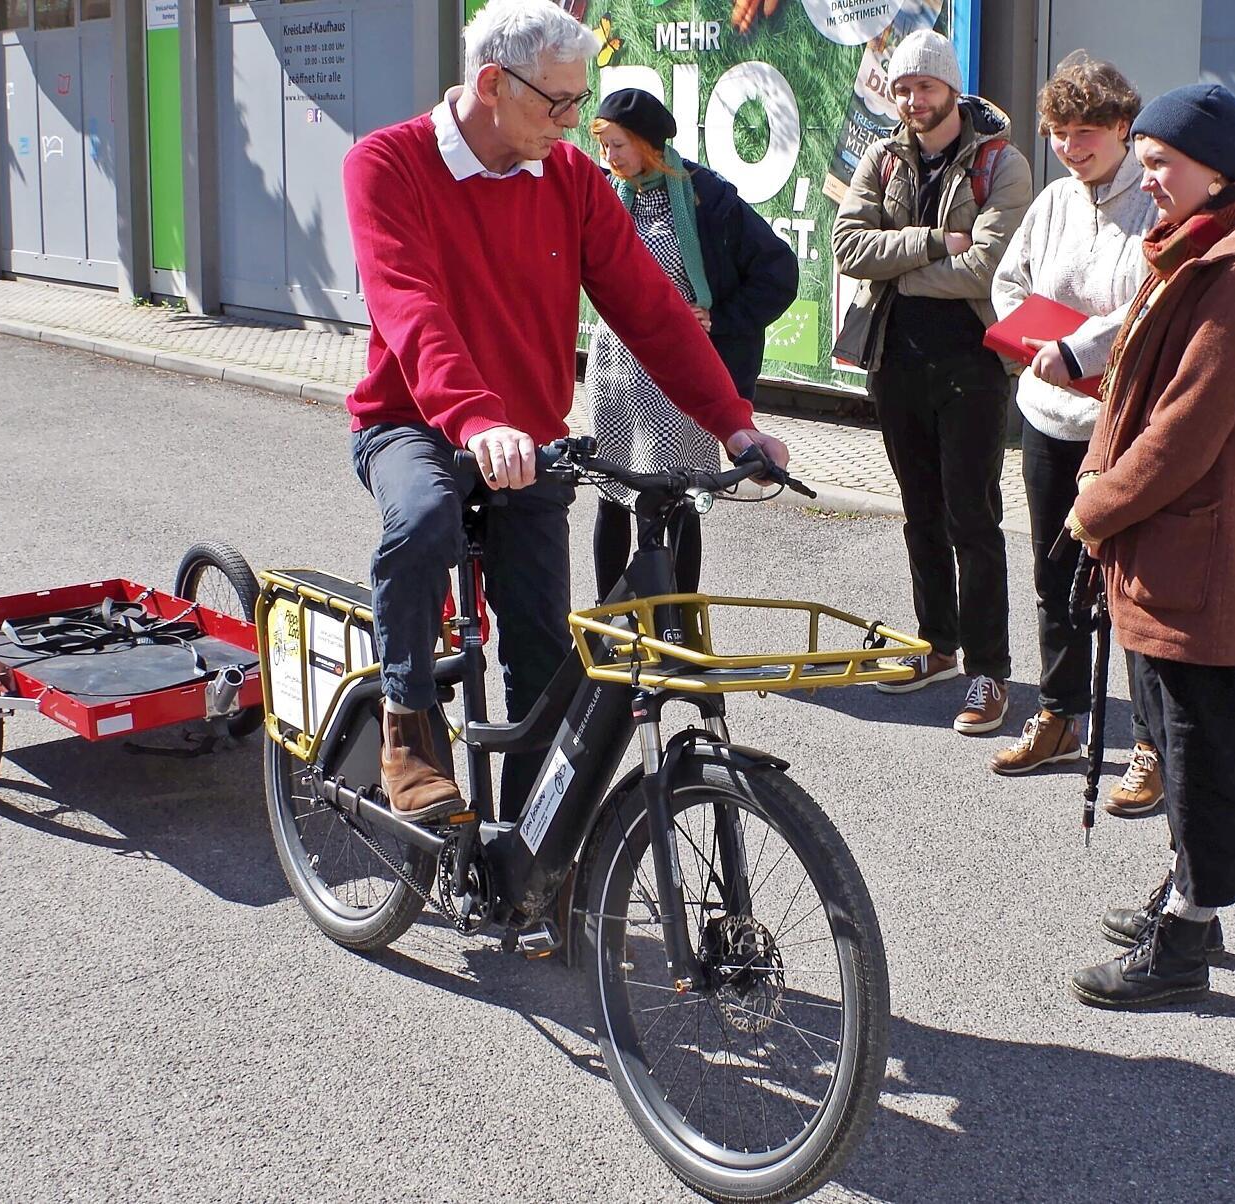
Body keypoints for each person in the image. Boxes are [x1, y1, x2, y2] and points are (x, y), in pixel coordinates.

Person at [340, 0, 788, 821]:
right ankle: (406, 725)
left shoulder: (570, 178)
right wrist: (474, 419)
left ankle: (526, 856)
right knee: (423, 519)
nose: (576, 122)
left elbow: (650, 309)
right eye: (558, 103)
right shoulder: (387, 164)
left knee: (545, 650)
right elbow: (410, 309)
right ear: (491, 85)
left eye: (580, 100)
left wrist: (733, 419)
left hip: (529, 439)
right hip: (413, 417)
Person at [1063, 85, 1235, 1009]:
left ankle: (1189, 938)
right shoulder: (1204, 246)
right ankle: (1188, 892)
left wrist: (1098, 507)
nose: (1146, 176)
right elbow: (1133, 388)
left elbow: (1184, 428)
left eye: (1161, 161)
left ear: (1215, 167)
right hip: (1166, 531)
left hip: (1195, 541)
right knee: (1186, 726)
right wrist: (1100, 482)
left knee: (1197, 739)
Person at [833, 28, 1034, 737]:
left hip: (974, 365)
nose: (913, 100)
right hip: (897, 362)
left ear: (952, 88)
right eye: (903, 88)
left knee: (971, 519)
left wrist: (902, 270)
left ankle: (989, 669)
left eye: (924, 86)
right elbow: (848, 247)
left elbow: (986, 268)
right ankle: (938, 646)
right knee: (919, 512)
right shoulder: (882, 158)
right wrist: (927, 245)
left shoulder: (1002, 165)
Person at [984, 52, 1162, 796]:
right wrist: (1032, 344)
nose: (1070, 146)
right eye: (1058, 131)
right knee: (1052, 574)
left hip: (1119, 422)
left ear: (1124, 127)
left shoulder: (1154, 201)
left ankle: (1150, 744)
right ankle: (1059, 713)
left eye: (1087, 131)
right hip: (1048, 413)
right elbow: (1009, 279)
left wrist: (1077, 347)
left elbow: (1149, 303)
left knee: (1132, 586)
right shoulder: (1055, 199)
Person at [584, 88, 800, 599]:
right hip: (614, 369)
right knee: (611, 492)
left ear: (648, 145)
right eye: (604, 147)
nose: (608, 158)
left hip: (680, 377)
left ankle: (676, 622)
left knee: (677, 495)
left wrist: (721, 319)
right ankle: (608, 623)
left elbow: (777, 270)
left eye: (618, 146)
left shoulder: (707, 196)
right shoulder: (604, 193)